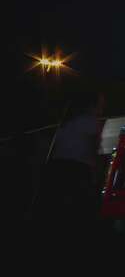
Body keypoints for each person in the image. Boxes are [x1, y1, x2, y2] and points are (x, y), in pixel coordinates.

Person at [36, 88, 105, 228]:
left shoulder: (68, 122)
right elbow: (94, 148)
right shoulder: (90, 121)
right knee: (76, 207)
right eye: (101, 103)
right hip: (78, 168)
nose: (102, 107)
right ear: (93, 105)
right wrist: (96, 170)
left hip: (58, 165)